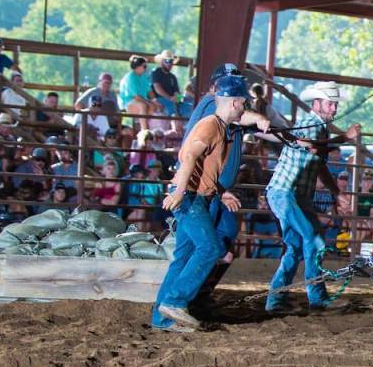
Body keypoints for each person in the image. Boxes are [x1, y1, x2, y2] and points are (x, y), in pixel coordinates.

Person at [151, 74, 265, 332]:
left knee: (183, 257)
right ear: (236, 103)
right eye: (243, 104)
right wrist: (180, 191)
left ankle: (162, 319)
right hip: (191, 198)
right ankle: (175, 301)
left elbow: (202, 164)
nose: (244, 108)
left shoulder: (219, 126)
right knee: (211, 247)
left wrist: (216, 191)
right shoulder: (211, 125)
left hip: (198, 195)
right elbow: (190, 155)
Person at [264, 81, 361, 312]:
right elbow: (313, 148)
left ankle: (276, 300)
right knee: (314, 240)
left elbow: (319, 164)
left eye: (335, 105)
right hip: (286, 193)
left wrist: (337, 193)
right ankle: (317, 297)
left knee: (297, 246)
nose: (334, 109)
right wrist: (344, 138)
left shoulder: (320, 126)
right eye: (330, 104)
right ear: (317, 103)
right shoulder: (310, 123)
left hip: (294, 196)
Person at [183, 63, 272, 305]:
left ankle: (198, 295)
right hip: (202, 191)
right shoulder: (213, 107)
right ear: (215, 88)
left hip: (214, 191)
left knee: (224, 240)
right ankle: (184, 299)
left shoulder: (230, 116)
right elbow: (192, 156)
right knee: (207, 247)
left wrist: (295, 139)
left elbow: (255, 124)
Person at [119, 55, 158, 129]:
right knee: (142, 106)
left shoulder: (143, 76)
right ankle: (144, 130)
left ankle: (145, 127)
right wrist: (148, 102)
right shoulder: (130, 77)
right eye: (144, 66)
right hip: (128, 103)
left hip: (141, 100)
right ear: (138, 67)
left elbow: (150, 91)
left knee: (154, 107)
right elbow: (136, 96)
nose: (145, 68)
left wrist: (155, 101)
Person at [149, 50, 181, 125]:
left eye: (171, 61)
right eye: (167, 60)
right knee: (172, 107)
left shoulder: (173, 77)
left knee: (188, 107)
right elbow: (157, 89)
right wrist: (170, 98)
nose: (170, 63)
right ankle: (175, 129)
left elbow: (177, 93)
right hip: (159, 99)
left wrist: (178, 99)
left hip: (172, 101)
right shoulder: (156, 72)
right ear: (162, 61)